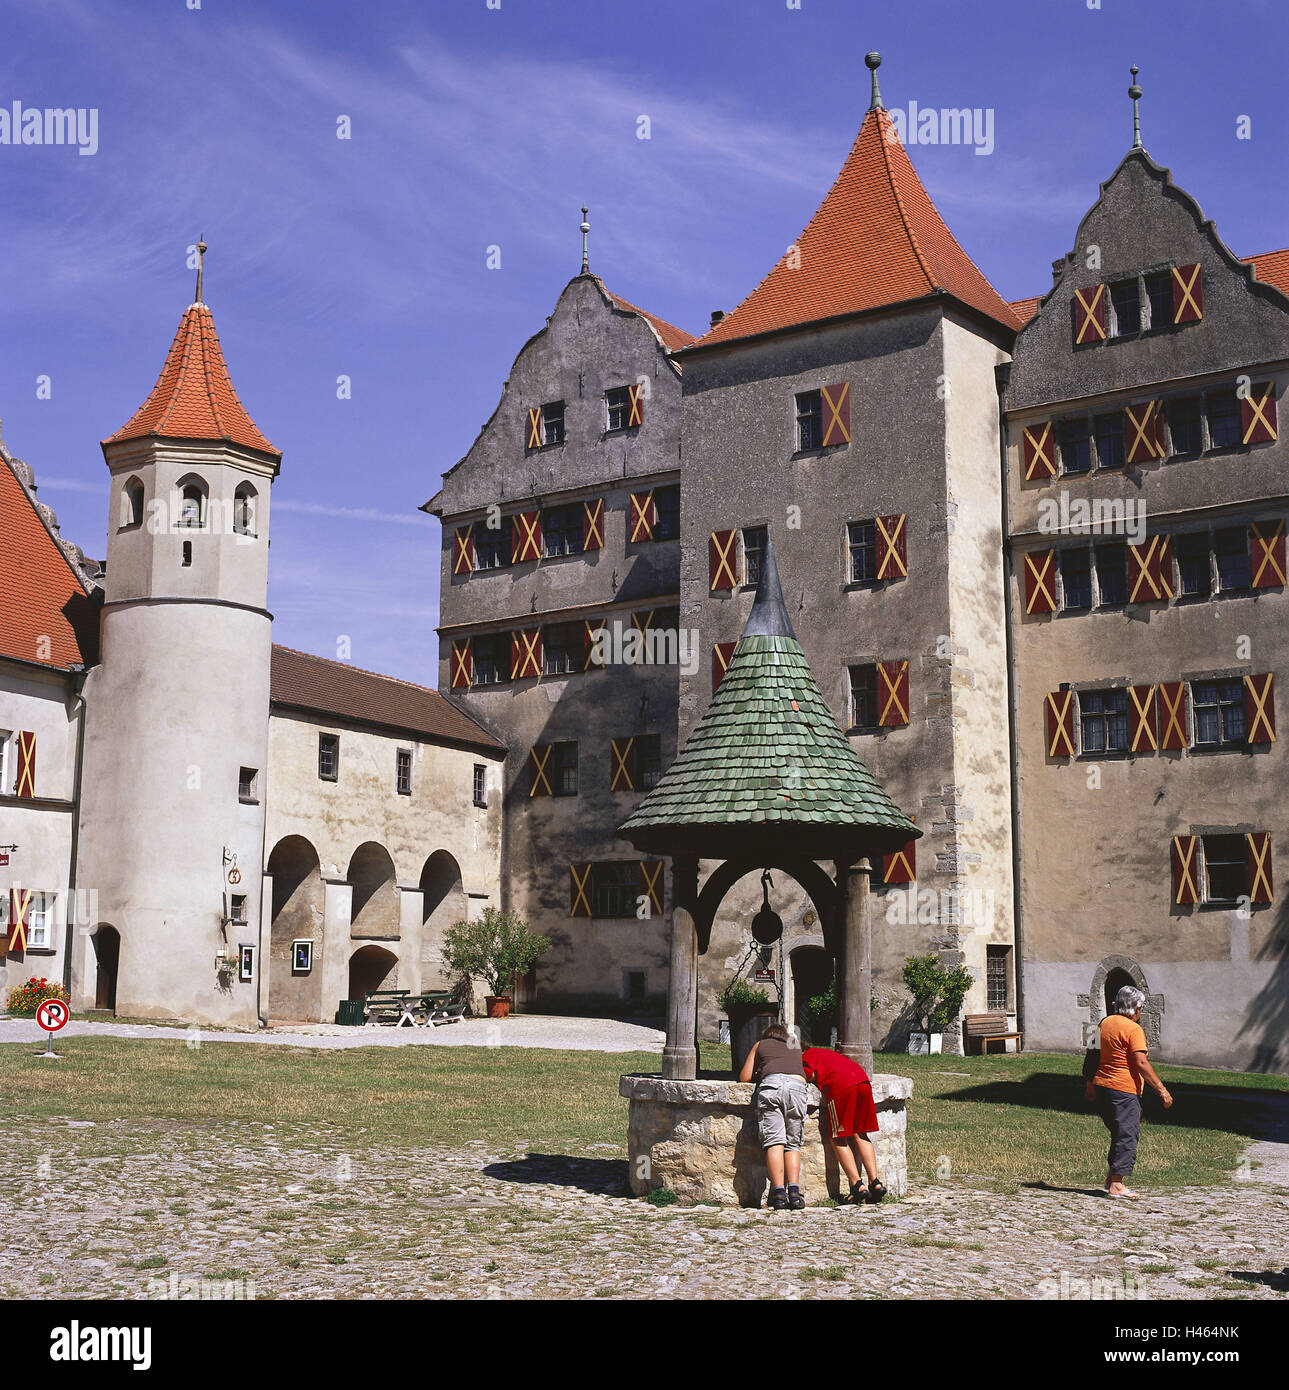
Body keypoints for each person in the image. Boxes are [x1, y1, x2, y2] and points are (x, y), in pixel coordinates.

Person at [1086, 985, 1173, 1198]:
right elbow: (1140, 1062)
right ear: (1135, 1008)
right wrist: (1162, 1089)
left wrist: (1089, 1083)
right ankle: (1117, 1185)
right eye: (1140, 1008)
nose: (1140, 1012)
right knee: (1126, 1135)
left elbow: (1091, 1055)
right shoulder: (1134, 1030)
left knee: (1118, 1133)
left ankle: (1111, 1178)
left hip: (1102, 1087)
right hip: (1123, 1089)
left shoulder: (1103, 1023)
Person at [800, 1045, 886, 1204]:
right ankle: (875, 1182)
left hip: (841, 1087)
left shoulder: (805, 1057)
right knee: (861, 1133)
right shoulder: (825, 1053)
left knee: (838, 1138)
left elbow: (808, 1074)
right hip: (862, 1081)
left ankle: (857, 1186)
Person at [738, 1023, 809, 1210]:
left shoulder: (760, 1044)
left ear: (767, 1035)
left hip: (772, 1086)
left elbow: (744, 1077)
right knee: (793, 1144)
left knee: (774, 1142)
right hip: (797, 1088)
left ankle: (778, 1196)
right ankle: (794, 1195)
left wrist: (759, 1071)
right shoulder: (795, 1044)